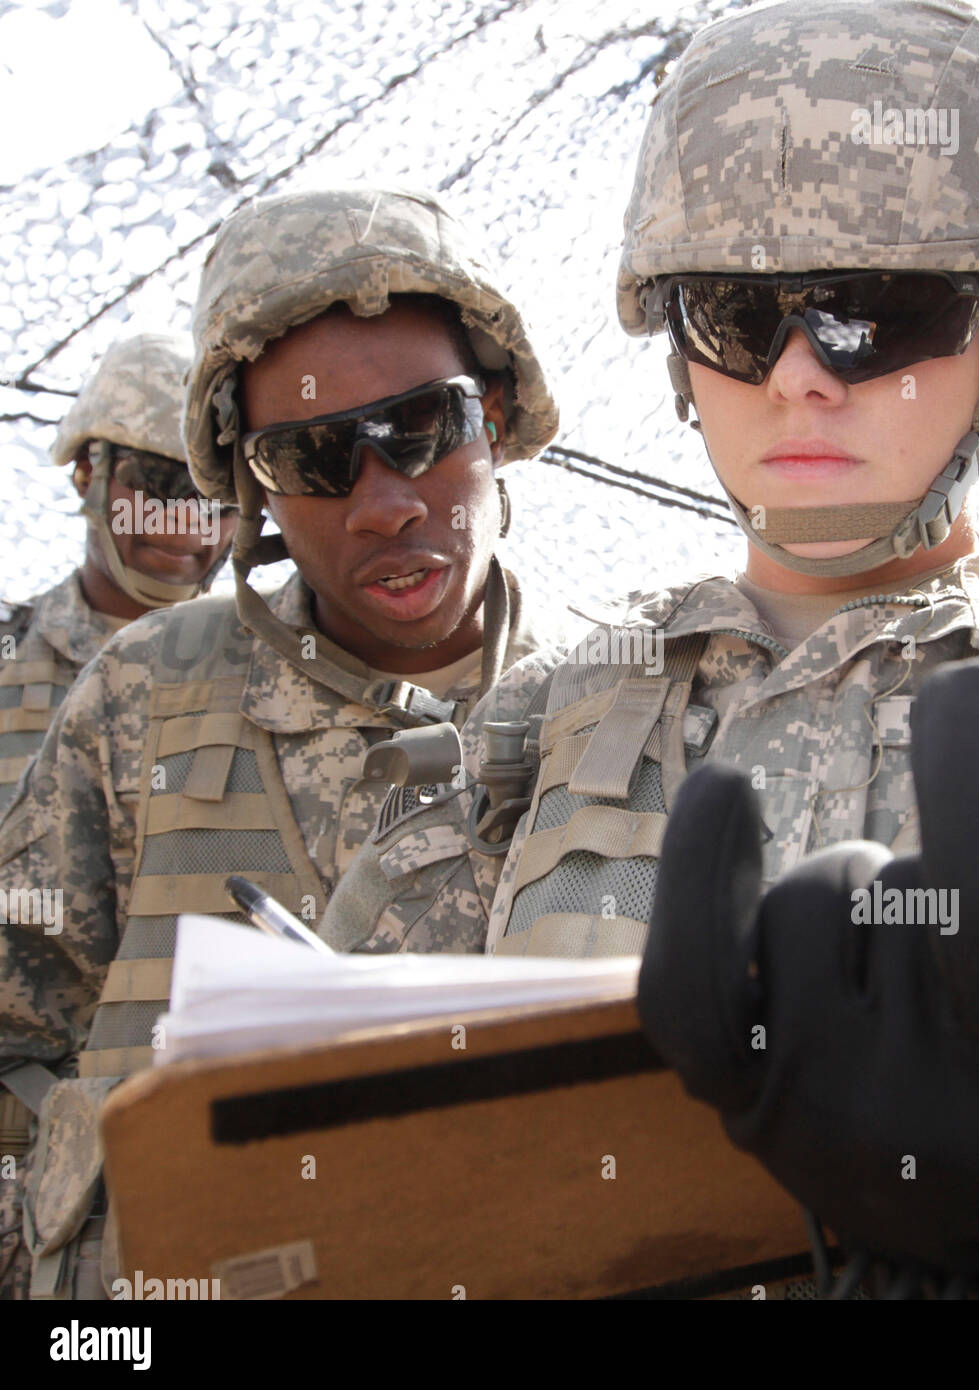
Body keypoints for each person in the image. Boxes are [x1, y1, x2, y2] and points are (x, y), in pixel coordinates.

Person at [321, 0, 979, 1296]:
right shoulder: (540, 723)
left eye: (875, 312)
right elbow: (340, 1148)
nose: (799, 375)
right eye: (738, 316)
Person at [0, 185, 566, 1299]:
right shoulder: (142, 702)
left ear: (494, 416)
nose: (383, 503)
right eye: (313, 459)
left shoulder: (623, 714)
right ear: (253, 489)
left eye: (421, 428)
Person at [0, 333, 237, 818]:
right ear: (89, 473)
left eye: (215, 493)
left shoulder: (278, 672)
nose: (186, 517)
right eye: (158, 482)